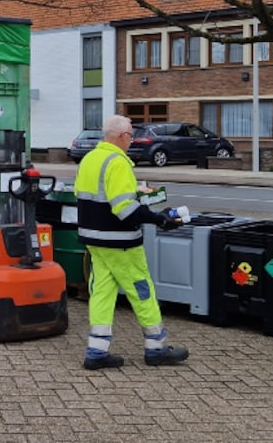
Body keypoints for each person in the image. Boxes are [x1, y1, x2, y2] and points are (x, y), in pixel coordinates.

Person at [75, 114, 188, 369]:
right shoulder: (118, 162)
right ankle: (156, 348)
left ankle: (96, 351)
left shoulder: (89, 159)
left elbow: (94, 197)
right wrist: (159, 219)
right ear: (122, 136)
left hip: (94, 240)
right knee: (142, 291)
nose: (132, 140)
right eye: (130, 136)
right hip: (121, 242)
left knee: (102, 293)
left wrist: (136, 197)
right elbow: (124, 209)